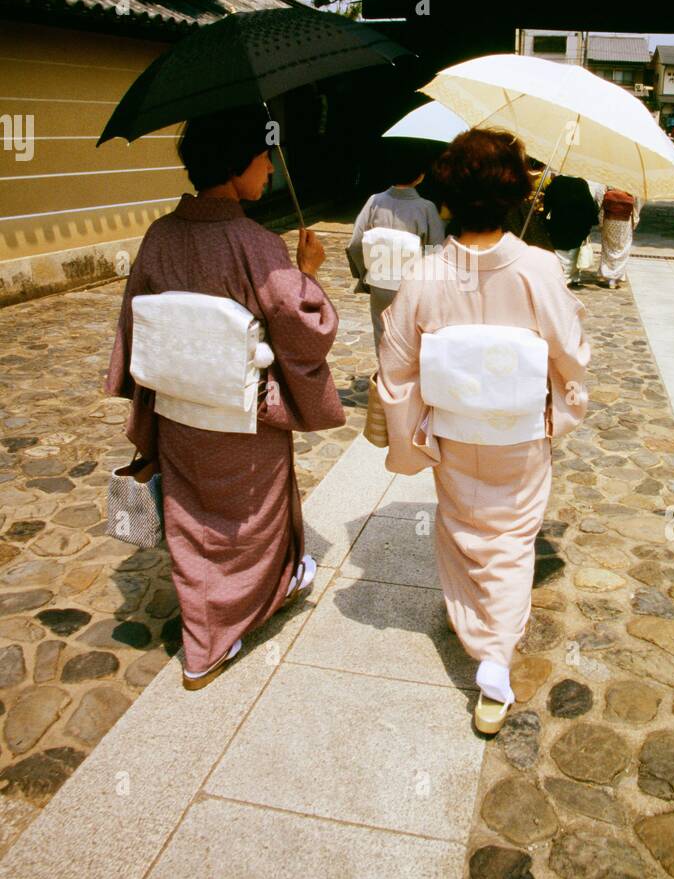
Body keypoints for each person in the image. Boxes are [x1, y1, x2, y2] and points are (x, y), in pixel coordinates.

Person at [106, 107, 345, 690]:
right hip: (244, 417)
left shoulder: (160, 234)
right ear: (237, 166)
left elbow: (137, 323)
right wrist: (307, 273)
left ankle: (219, 614)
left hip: (180, 413)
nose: (269, 170)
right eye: (263, 159)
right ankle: (215, 638)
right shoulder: (255, 243)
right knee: (249, 521)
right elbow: (304, 323)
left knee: (191, 519)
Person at [375, 130, 590, 734]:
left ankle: (471, 620)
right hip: (519, 434)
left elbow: (395, 364)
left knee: (461, 523)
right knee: (512, 539)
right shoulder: (540, 268)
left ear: (447, 195)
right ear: (518, 193)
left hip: (454, 430)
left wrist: (415, 418)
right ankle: (494, 659)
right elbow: (570, 353)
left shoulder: (424, 274)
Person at [347, 168, 445, 353]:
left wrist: (365, 274)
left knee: (382, 335)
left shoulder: (374, 201)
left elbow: (355, 244)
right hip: (413, 284)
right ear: (420, 176)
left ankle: (383, 377)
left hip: (379, 281)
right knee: (411, 340)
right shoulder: (426, 207)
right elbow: (436, 251)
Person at [543, 173, 599, 288]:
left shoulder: (557, 182)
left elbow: (547, 201)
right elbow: (588, 205)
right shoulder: (581, 184)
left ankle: (561, 276)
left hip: (558, 222)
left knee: (559, 252)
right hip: (576, 224)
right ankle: (572, 277)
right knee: (573, 253)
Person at [598, 186, 641, 288]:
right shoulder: (631, 183)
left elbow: (600, 197)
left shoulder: (609, 180)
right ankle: (615, 277)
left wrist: (601, 220)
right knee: (622, 247)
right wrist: (635, 220)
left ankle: (607, 275)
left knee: (608, 246)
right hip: (625, 220)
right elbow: (637, 204)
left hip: (609, 218)